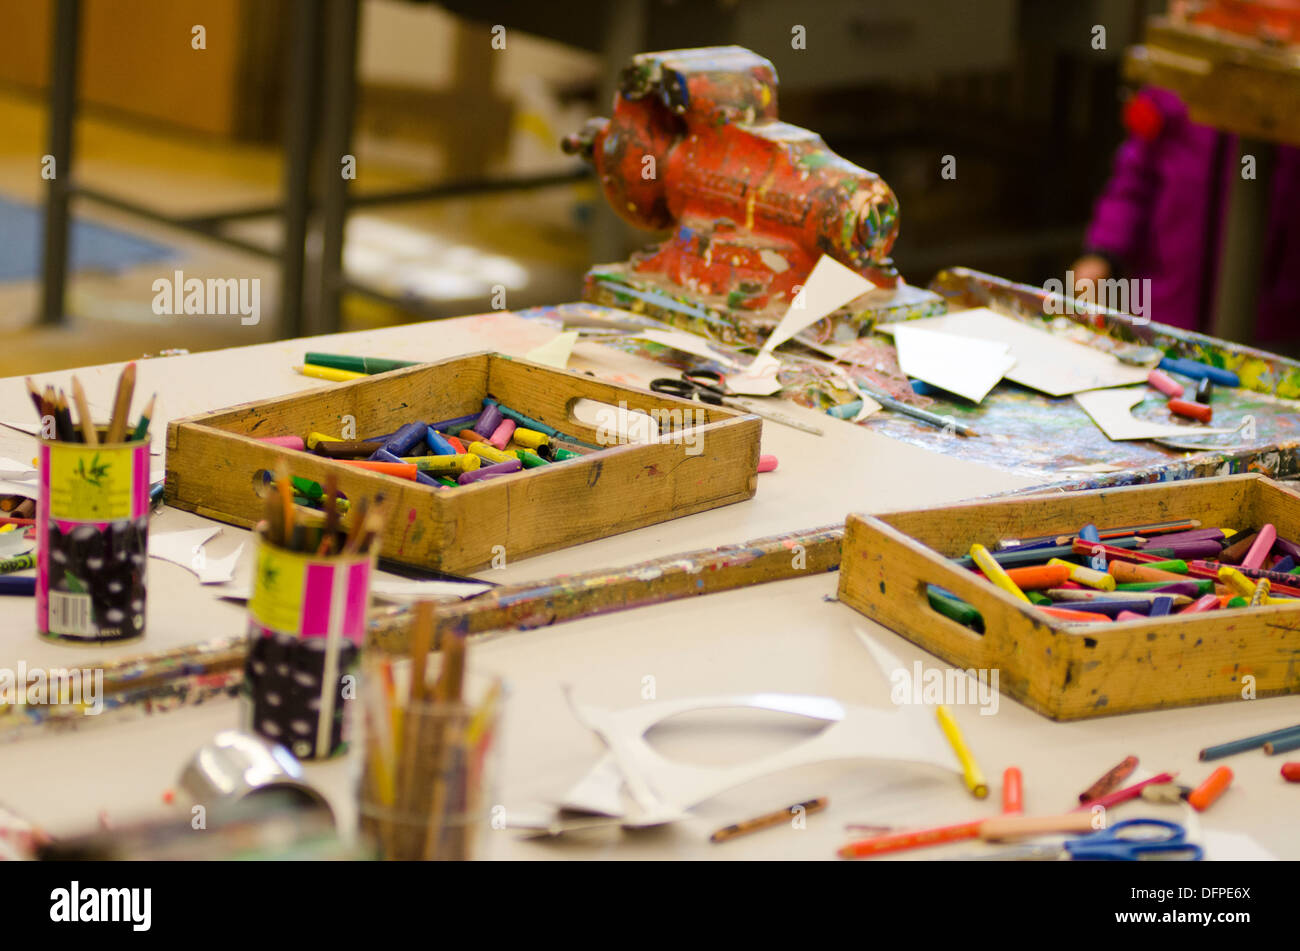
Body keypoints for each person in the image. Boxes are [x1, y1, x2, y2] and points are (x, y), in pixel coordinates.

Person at [1072, 86, 1300, 344]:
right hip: (1161, 309)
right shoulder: (1174, 85)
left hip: (1270, 327)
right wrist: (1102, 253)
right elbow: (1134, 183)